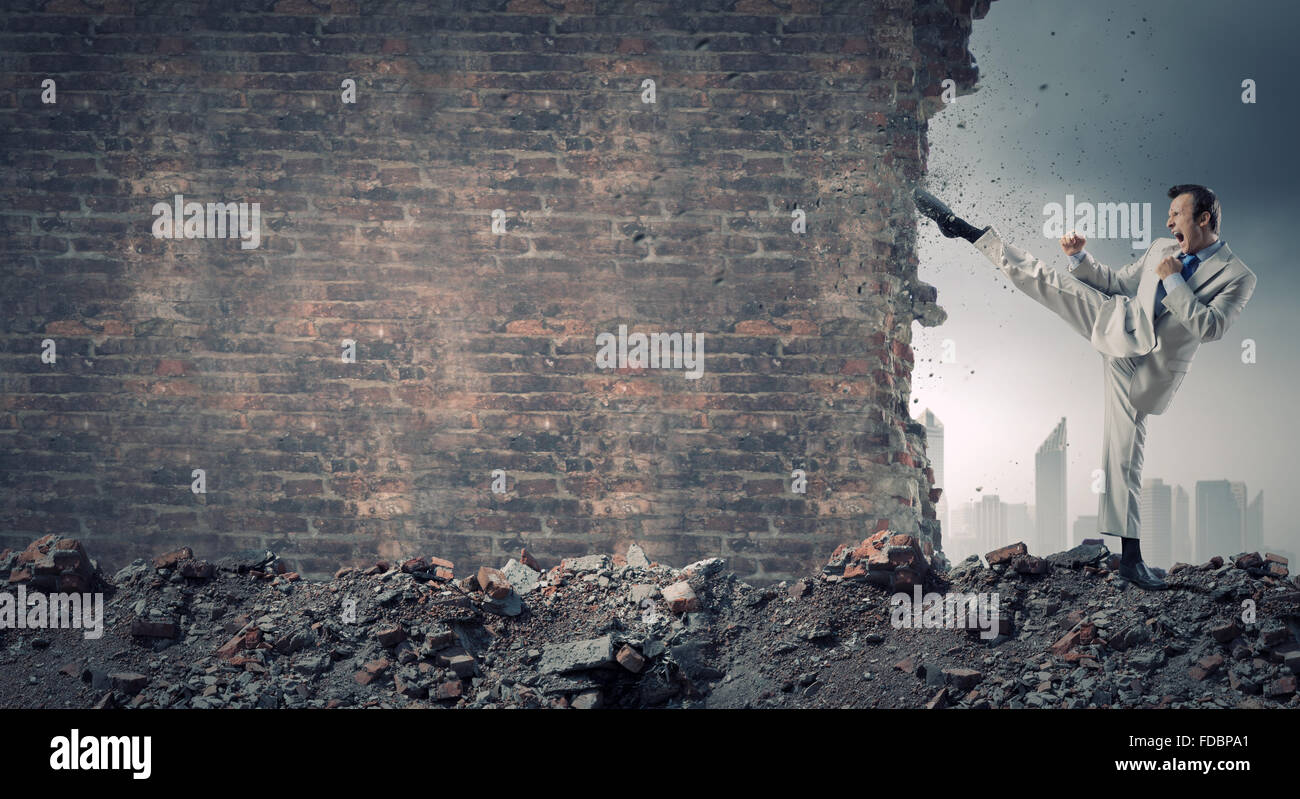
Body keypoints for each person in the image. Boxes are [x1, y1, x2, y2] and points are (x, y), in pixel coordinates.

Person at [914, 185, 1257, 590]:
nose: (1168, 222)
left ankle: (1131, 561)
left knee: (1124, 451)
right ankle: (969, 232)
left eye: (1176, 214)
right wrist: (1079, 257)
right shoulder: (1161, 246)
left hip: (1150, 369)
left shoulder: (1238, 276)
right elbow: (1118, 284)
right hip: (1118, 323)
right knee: (1052, 282)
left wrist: (1176, 282)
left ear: (1204, 218)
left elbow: (1211, 327)